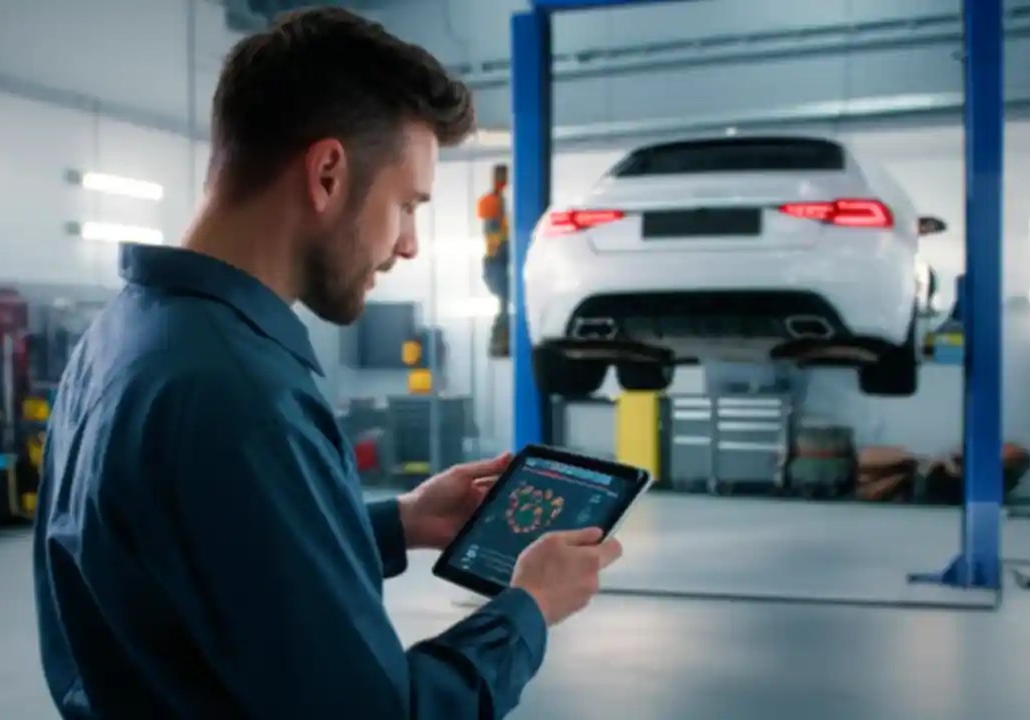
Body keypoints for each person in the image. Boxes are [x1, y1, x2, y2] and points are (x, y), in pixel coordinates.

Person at [32, 8, 623, 719]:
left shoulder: (125, 335)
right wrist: (530, 607)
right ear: (328, 173)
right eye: (407, 205)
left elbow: (211, 573)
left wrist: (397, 521)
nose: (408, 245)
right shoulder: (241, 393)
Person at [477, 163, 510, 357]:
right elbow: (491, 231)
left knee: (505, 303)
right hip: (496, 258)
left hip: (497, 258)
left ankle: (500, 344)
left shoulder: (497, 201)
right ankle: (500, 344)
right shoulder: (491, 201)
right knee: (505, 302)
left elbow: (495, 231)